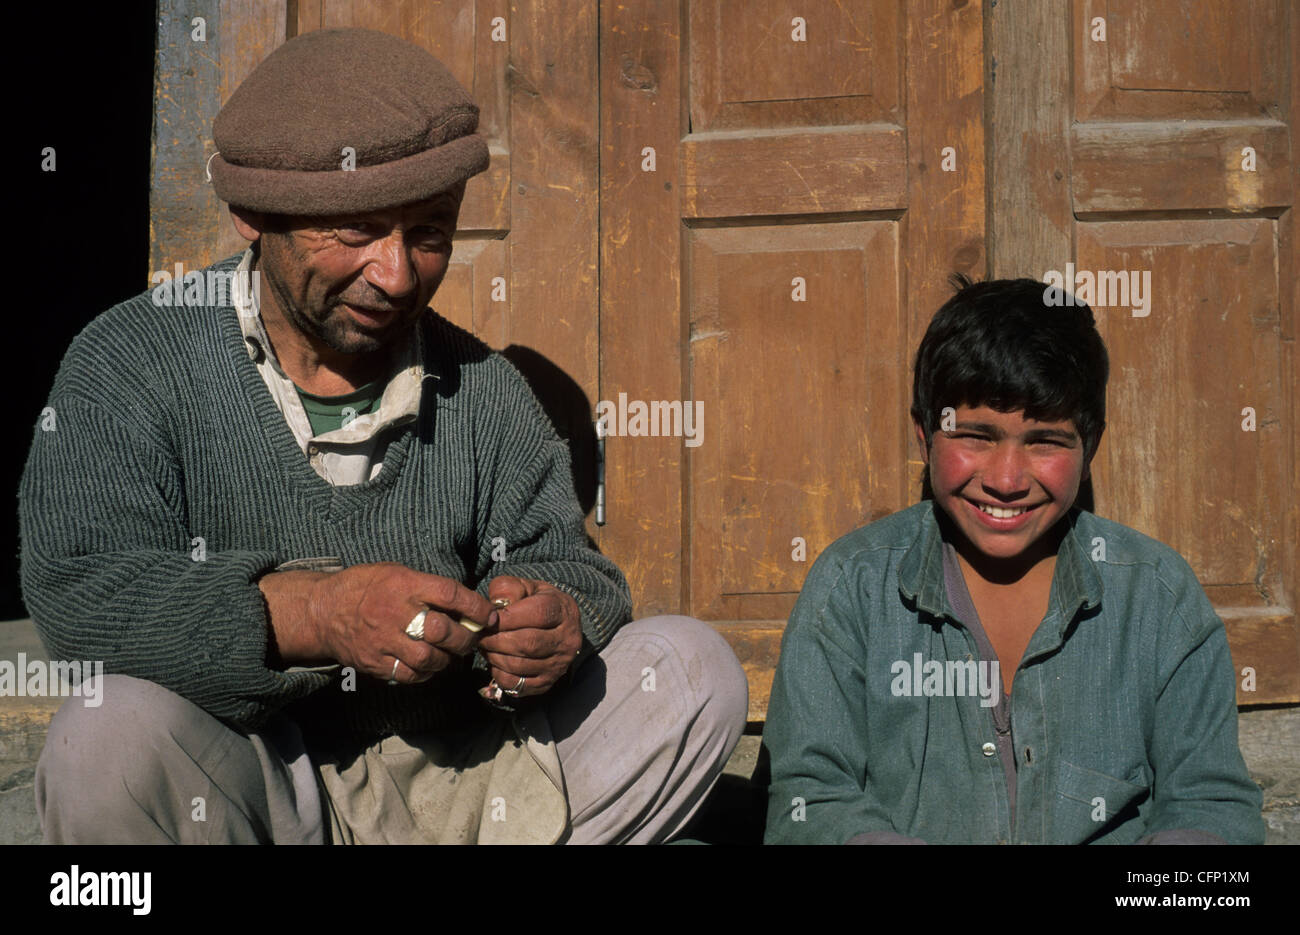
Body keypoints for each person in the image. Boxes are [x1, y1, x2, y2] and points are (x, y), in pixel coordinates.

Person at [20, 27, 746, 844]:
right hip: (251, 779)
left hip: (466, 790)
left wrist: (554, 624)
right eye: (357, 231)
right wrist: (318, 613)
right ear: (253, 214)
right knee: (104, 735)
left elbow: (571, 568)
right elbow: (84, 595)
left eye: (429, 232)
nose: (398, 274)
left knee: (695, 670)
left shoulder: (485, 389)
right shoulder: (130, 361)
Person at [763, 276, 1264, 844]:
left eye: (1045, 441)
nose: (1005, 481)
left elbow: (1210, 802)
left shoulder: (1157, 596)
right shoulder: (851, 588)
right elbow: (809, 801)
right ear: (925, 438)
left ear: (1090, 448)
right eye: (976, 436)